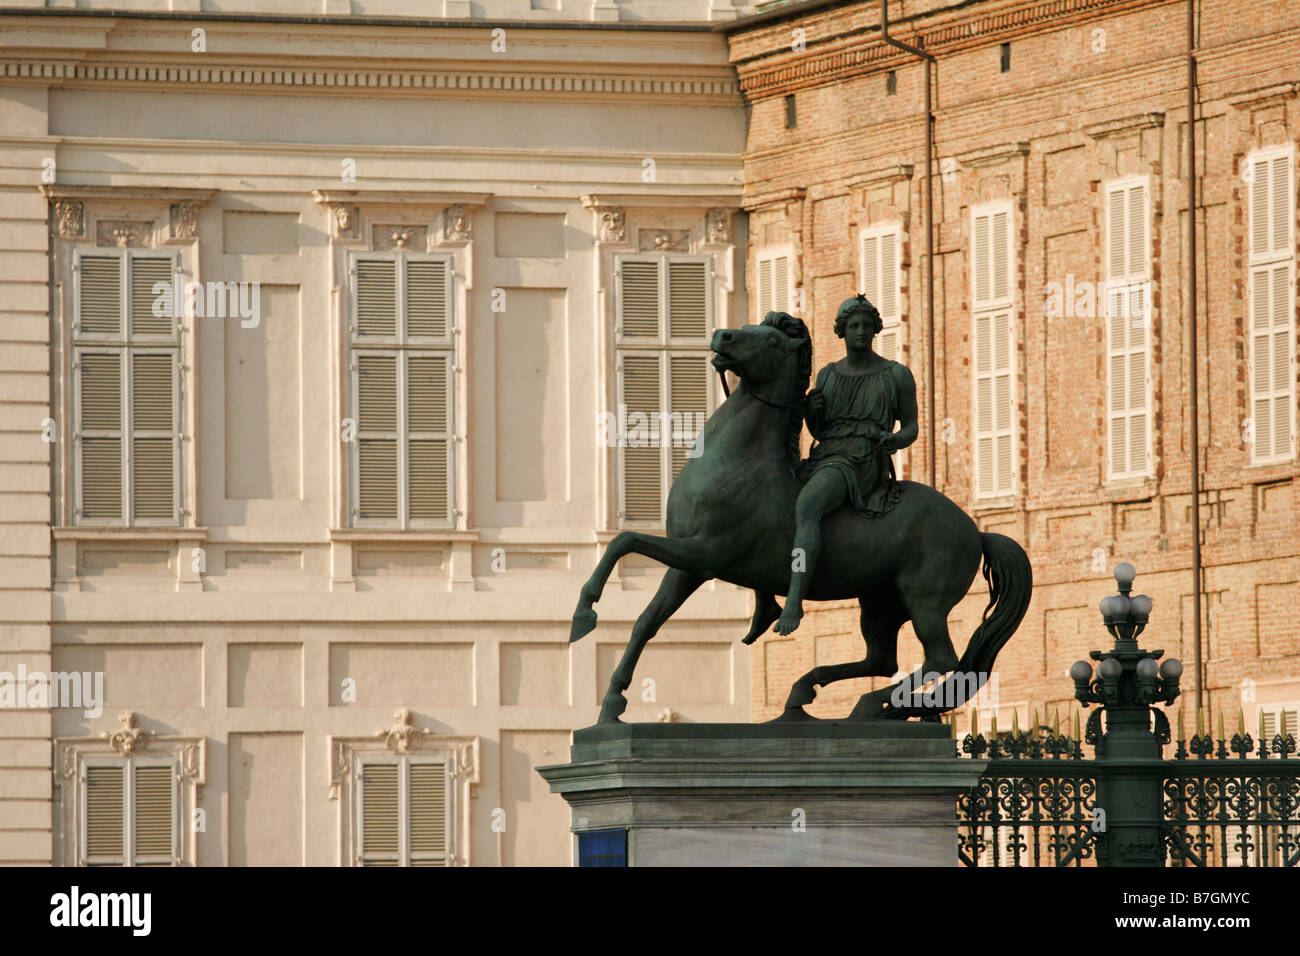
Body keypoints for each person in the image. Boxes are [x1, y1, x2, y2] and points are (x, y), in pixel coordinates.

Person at [774, 294, 919, 635]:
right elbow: (821, 431)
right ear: (841, 331)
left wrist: (897, 439)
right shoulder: (826, 376)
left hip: (862, 460)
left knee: (808, 505)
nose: (861, 331)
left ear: (876, 330)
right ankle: (765, 597)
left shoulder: (896, 374)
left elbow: (911, 425)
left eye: (867, 326)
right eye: (853, 326)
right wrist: (812, 413)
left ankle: (794, 599)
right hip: (826, 455)